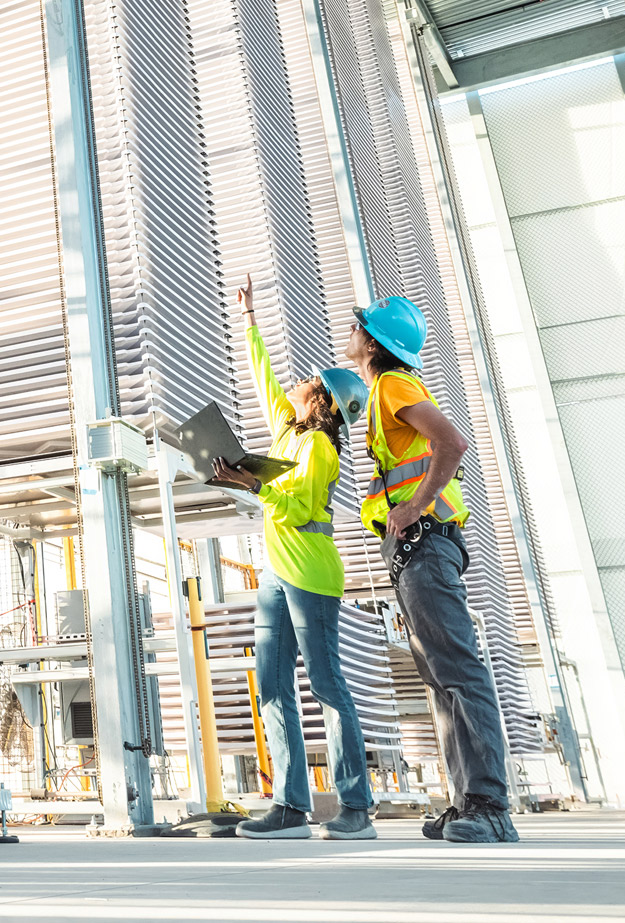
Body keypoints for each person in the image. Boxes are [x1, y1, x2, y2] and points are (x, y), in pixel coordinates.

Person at [349, 294, 520, 844]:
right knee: (441, 677)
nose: (353, 332)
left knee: (460, 672)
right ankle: (465, 800)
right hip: (413, 549)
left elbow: (452, 443)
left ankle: (491, 806)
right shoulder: (382, 391)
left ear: (373, 345)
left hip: (426, 542)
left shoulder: (393, 385)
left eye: (360, 328)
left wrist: (416, 506)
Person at [216, 276, 376, 841]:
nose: (294, 387)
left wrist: (250, 485)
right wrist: (250, 320)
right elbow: (263, 383)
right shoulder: (288, 435)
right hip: (276, 573)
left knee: (327, 684)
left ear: (322, 405)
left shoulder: (318, 447)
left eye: (307, 385)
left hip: (309, 569)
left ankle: (356, 808)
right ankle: (289, 806)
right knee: (273, 685)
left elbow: (297, 505)